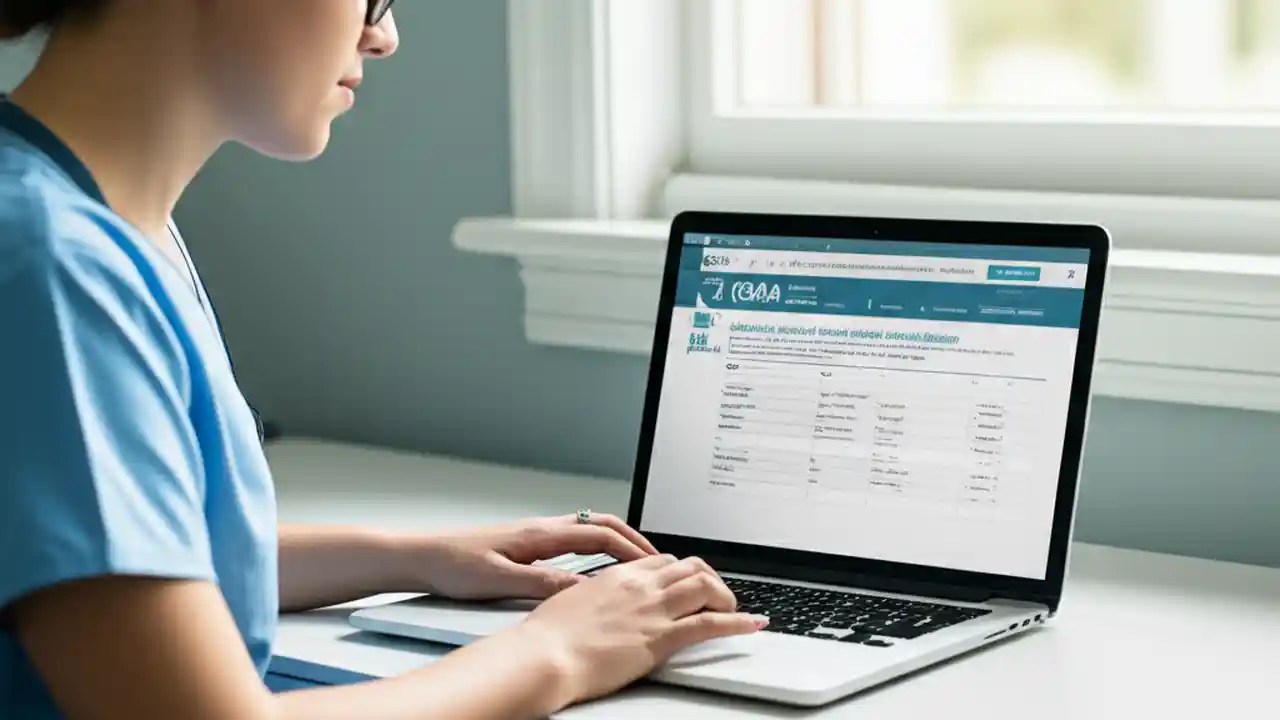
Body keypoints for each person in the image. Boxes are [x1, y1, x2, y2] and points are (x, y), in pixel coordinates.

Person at [0, 1, 767, 718]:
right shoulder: (50, 265)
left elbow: (146, 555)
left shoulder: (102, 223)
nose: (383, 35)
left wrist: (415, 556)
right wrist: (559, 649)